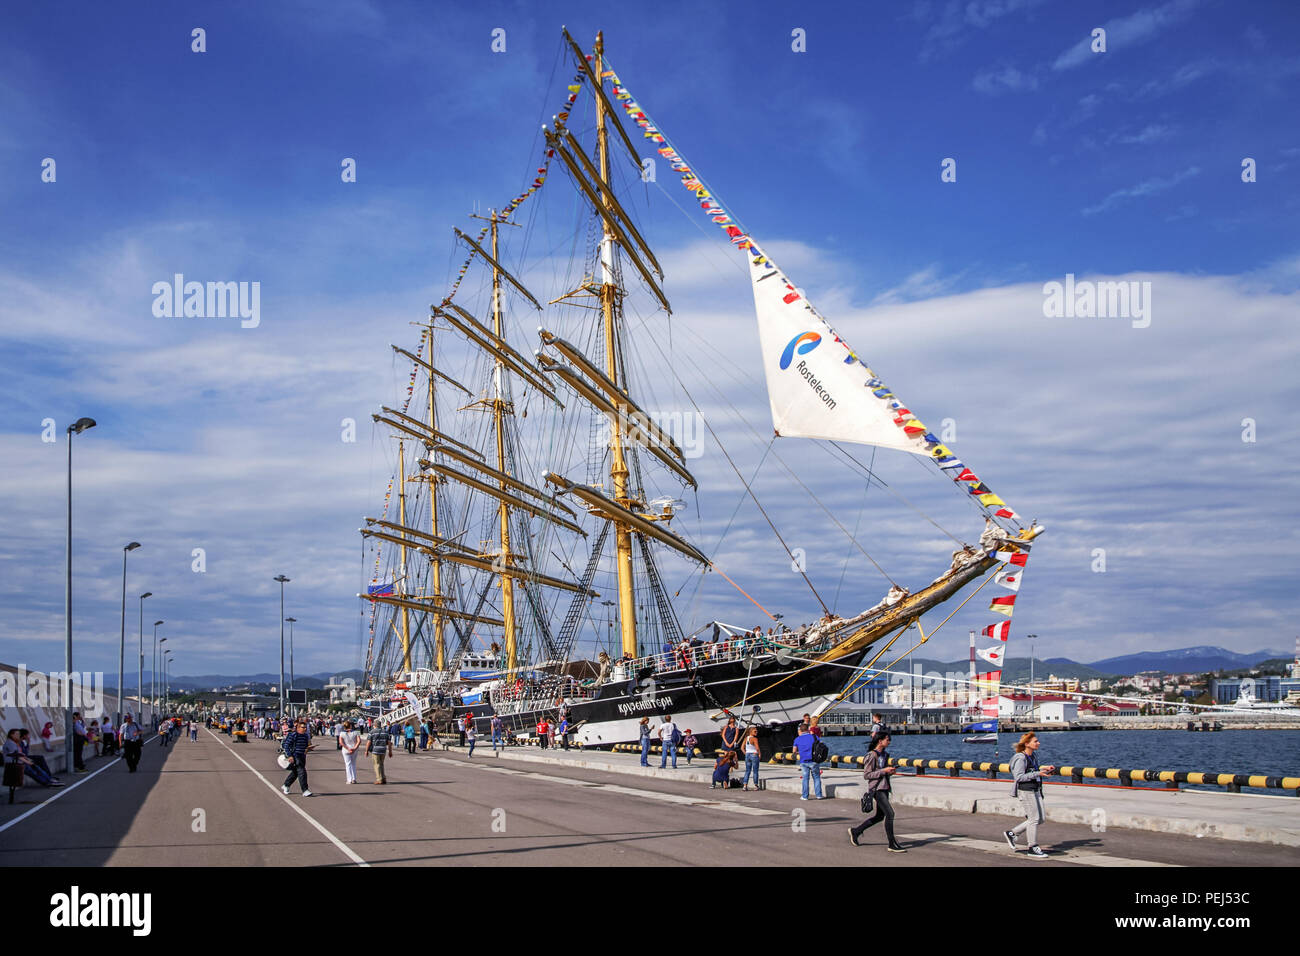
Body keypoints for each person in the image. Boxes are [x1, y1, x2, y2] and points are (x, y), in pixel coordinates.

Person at [849, 732, 905, 852]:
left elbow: (881, 771)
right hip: (876, 789)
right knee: (890, 814)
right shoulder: (872, 755)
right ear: (880, 741)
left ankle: (856, 831)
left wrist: (889, 771)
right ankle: (892, 844)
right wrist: (884, 770)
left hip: (884, 787)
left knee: (880, 816)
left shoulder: (884, 754)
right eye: (887, 739)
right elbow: (867, 775)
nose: (889, 741)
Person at [1004, 732, 1054, 858]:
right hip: (1026, 791)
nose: (1038, 743)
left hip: (1036, 789)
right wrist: (1038, 774)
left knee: (1041, 818)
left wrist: (1043, 770)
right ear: (1027, 744)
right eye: (1035, 741)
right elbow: (1019, 777)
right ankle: (1032, 847)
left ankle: (1012, 833)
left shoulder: (1033, 755)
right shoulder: (1020, 758)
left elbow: (1033, 771)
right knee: (1034, 819)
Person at [280, 719, 315, 796]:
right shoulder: (293, 735)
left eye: (305, 727)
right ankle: (305, 790)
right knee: (302, 772)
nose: (305, 729)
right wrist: (290, 756)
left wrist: (309, 748)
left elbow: (306, 746)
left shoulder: (305, 736)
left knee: (296, 772)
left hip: (303, 755)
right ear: (298, 728)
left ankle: (286, 785)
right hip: (295, 755)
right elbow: (286, 745)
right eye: (303, 727)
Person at [793, 722, 823, 800]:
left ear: (800, 730)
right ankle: (819, 795)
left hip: (804, 762)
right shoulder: (814, 737)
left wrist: (800, 751)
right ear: (808, 729)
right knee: (816, 778)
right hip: (814, 761)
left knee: (805, 779)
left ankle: (805, 796)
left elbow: (794, 751)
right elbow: (820, 746)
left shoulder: (797, 739)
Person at [339, 720, 361, 784]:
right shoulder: (357, 732)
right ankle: (354, 779)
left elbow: (341, 742)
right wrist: (354, 748)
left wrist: (348, 748)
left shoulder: (342, 733)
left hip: (346, 749)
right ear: (350, 725)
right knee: (353, 763)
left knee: (348, 764)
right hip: (354, 748)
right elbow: (359, 741)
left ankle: (349, 779)